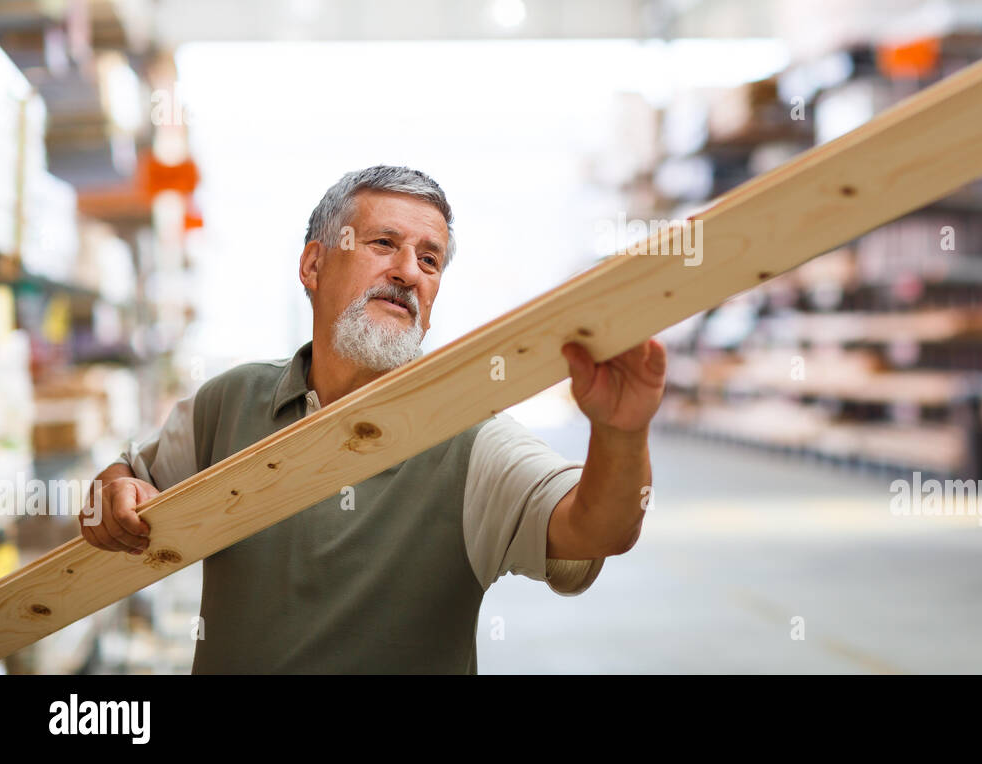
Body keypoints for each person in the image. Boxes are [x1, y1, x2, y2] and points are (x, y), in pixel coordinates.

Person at [78, 165, 667, 673]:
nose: (409, 271)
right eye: (383, 243)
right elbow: (127, 480)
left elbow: (600, 529)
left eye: (429, 260)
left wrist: (621, 431)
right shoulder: (228, 402)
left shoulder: (472, 438)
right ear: (313, 264)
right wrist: (114, 491)